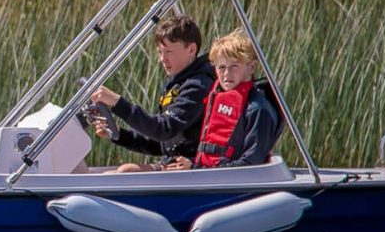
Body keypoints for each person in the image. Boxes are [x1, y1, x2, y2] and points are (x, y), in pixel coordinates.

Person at [89, 15, 217, 172]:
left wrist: (118, 103)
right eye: (160, 52)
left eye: (169, 51)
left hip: (187, 168)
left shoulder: (198, 87)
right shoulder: (177, 82)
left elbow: (163, 129)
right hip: (171, 164)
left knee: (123, 172)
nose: (162, 59)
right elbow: (160, 144)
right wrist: (120, 135)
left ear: (191, 49)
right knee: (119, 172)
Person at [162, 29, 279, 170]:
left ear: (252, 67)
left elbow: (251, 165)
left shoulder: (257, 109)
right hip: (208, 174)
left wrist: (195, 169)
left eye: (234, 66)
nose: (226, 74)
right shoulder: (215, 98)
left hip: (228, 182)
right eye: (221, 67)